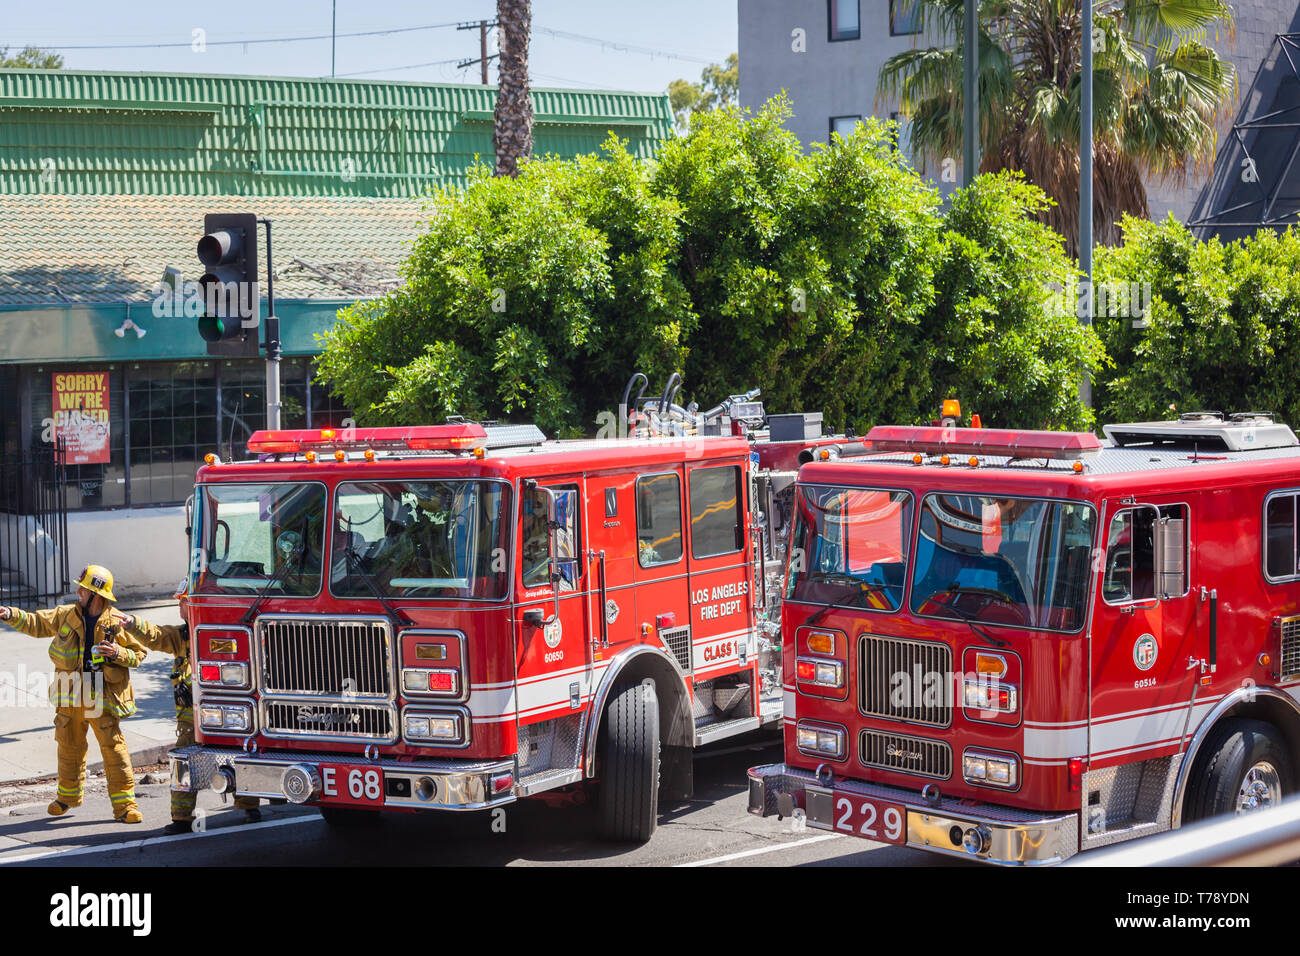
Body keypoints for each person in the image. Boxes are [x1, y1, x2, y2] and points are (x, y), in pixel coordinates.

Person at [0, 565, 148, 823]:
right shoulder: (66, 615)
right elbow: (37, 623)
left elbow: (139, 654)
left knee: (113, 750)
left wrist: (118, 653)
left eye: (84, 588)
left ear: (97, 595)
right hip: (70, 692)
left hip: (100, 694)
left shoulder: (117, 622)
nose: (78, 591)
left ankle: (125, 806)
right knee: (69, 747)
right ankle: (67, 797)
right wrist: (10, 614)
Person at [117, 602, 262, 834]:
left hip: (229, 715)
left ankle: (249, 807)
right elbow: (156, 636)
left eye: (185, 603)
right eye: (181, 603)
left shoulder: (228, 631)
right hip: (190, 723)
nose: (182, 608)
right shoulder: (180, 637)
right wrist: (133, 624)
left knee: (239, 758)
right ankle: (182, 819)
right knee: (184, 764)